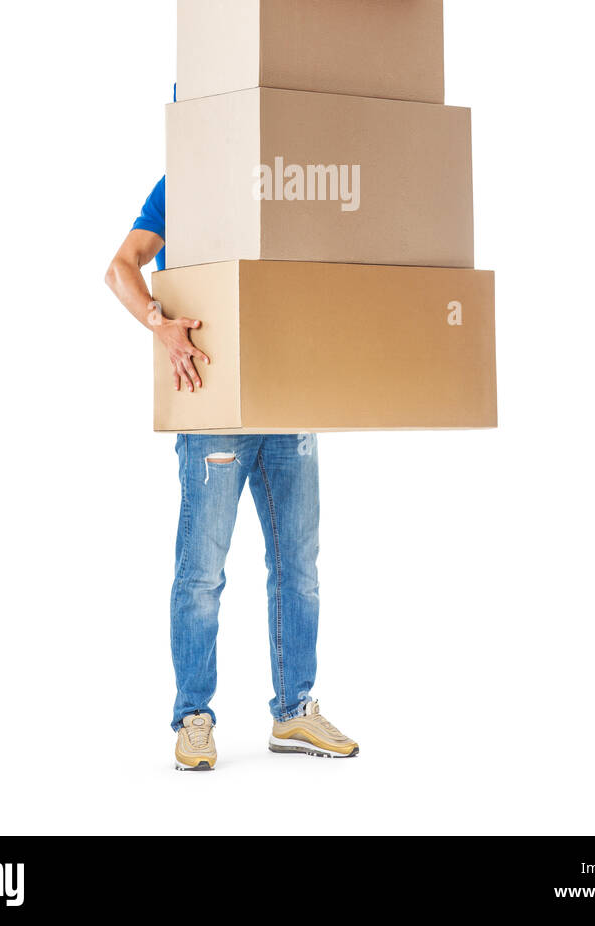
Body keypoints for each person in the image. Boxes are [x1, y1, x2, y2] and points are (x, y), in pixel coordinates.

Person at [105, 175, 359, 770]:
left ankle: (294, 711)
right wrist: (157, 323)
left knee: (299, 564)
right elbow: (120, 266)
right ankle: (193, 716)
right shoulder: (185, 179)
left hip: (290, 396)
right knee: (202, 569)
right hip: (215, 402)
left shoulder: (294, 178)